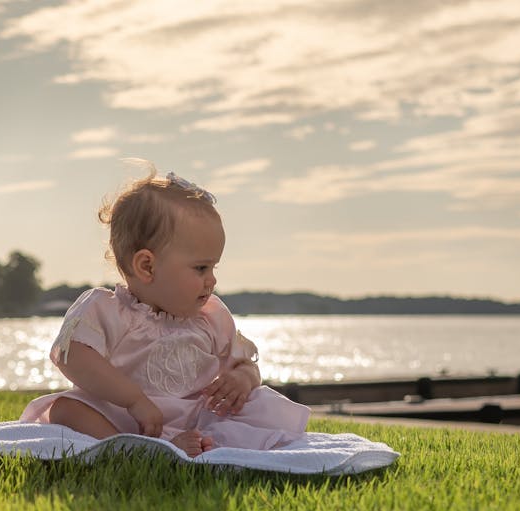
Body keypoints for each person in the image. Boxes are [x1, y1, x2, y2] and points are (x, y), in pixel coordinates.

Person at [19, 162, 309, 457]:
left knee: (261, 403)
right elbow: (74, 358)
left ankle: (195, 443)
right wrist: (133, 400)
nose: (212, 279)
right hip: (127, 418)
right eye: (200, 268)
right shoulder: (107, 310)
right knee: (67, 409)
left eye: (213, 266)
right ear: (147, 266)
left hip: (196, 417)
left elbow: (244, 362)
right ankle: (134, 450)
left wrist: (242, 379)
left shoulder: (210, 316)